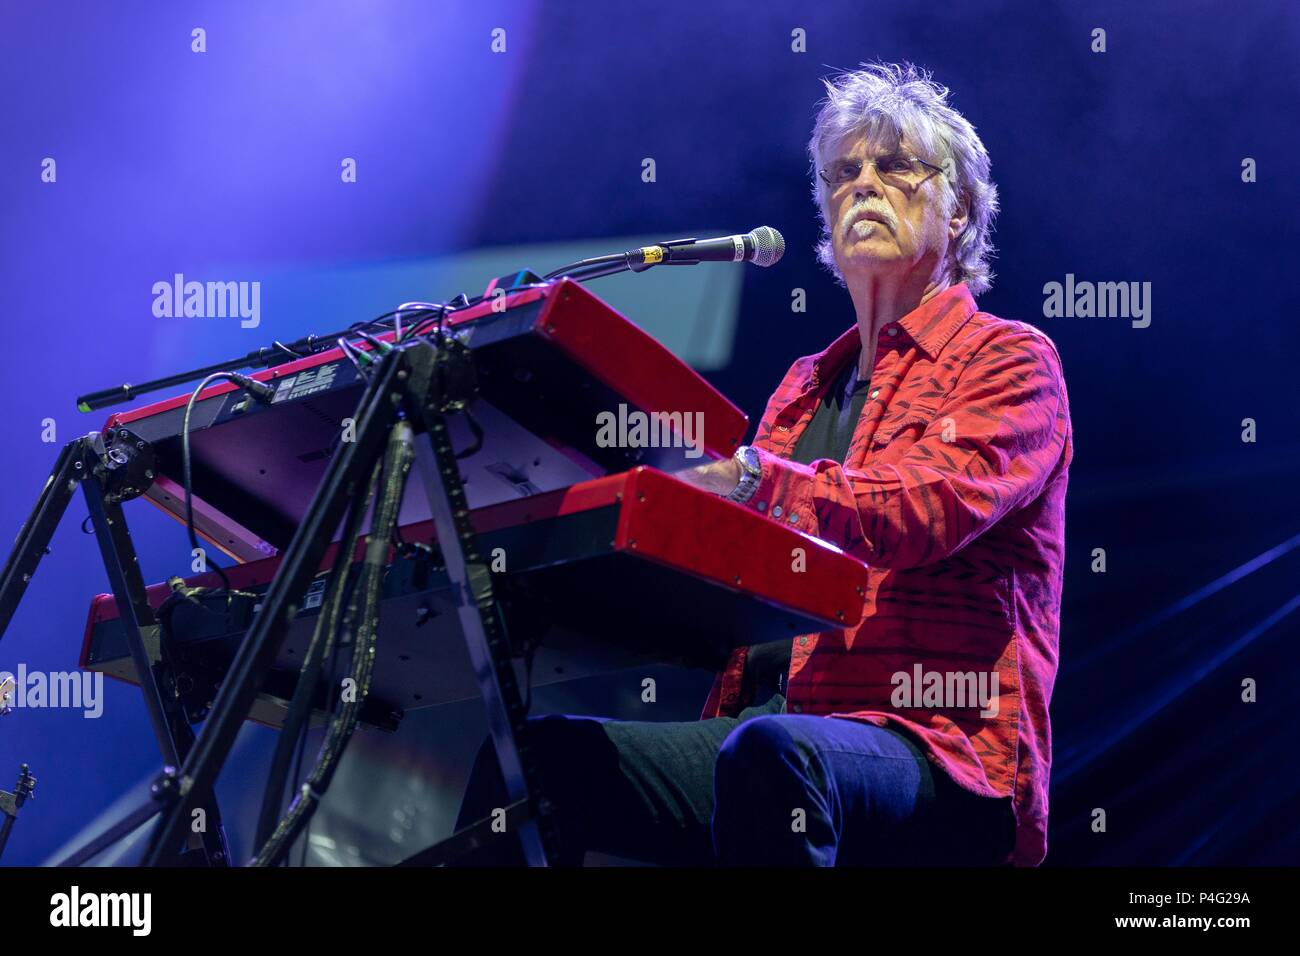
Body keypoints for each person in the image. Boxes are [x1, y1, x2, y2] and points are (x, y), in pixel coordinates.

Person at [454, 61, 1071, 867]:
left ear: (957, 211)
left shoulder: (1011, 359)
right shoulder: (802, 389)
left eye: (894, 168)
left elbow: (928, 507)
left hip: (934, 749)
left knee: (773, 757)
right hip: (770, 732)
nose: (864, 187)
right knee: (530, 767)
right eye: (844, 172)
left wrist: (750, 479)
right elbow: (736, 569)